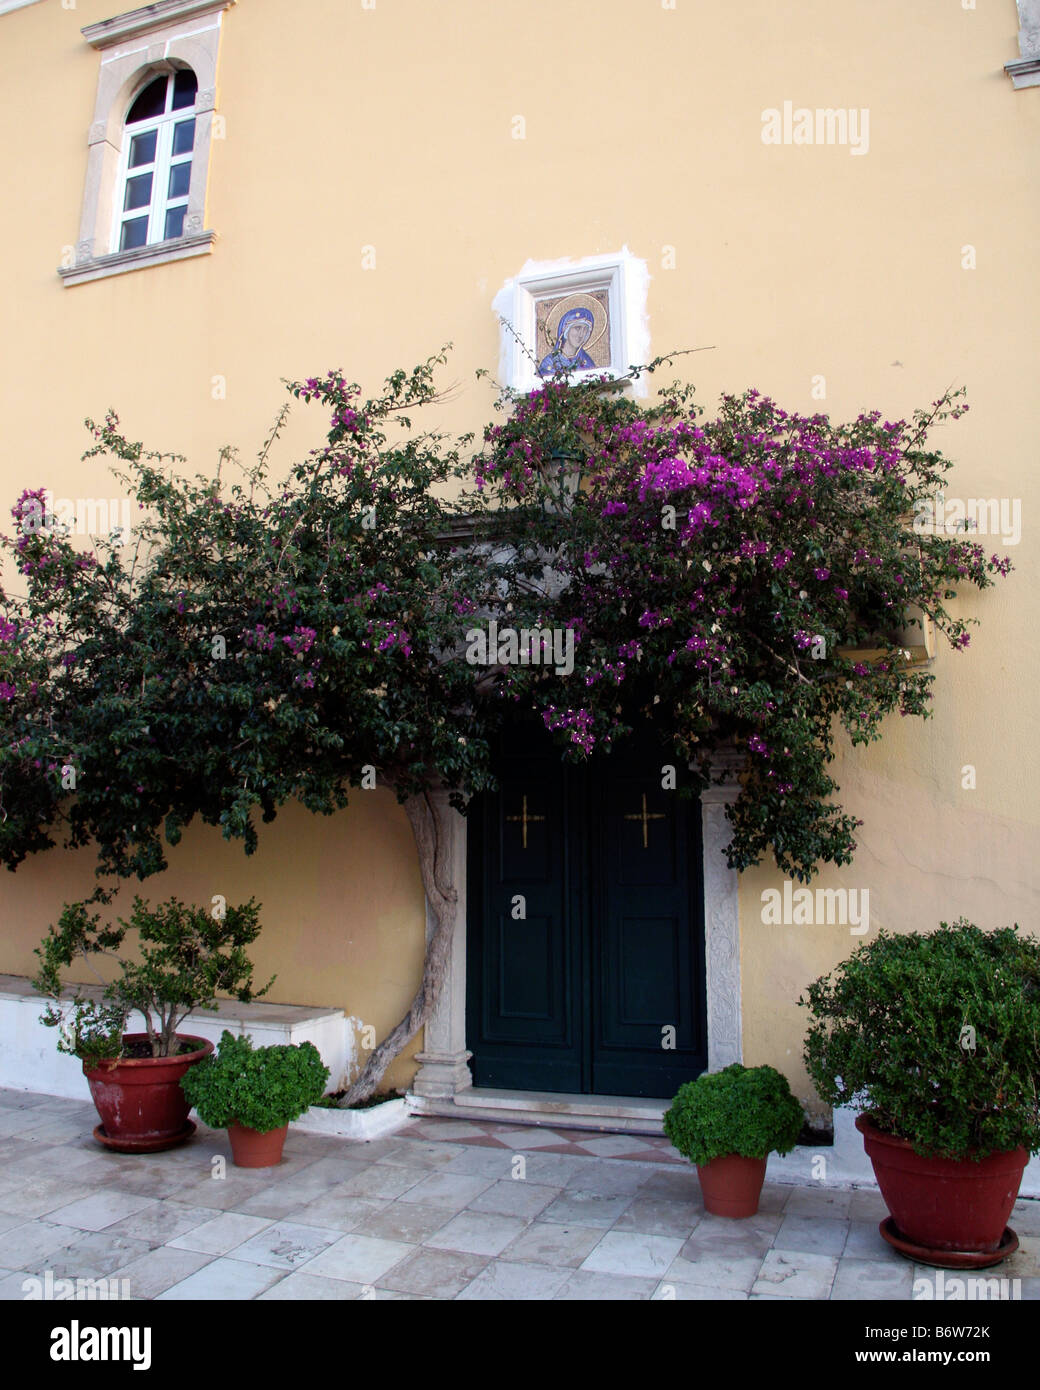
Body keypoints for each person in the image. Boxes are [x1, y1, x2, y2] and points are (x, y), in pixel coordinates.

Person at [537, 306, 597, 375]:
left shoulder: (587, 362)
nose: (581, 335)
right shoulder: (550, 362)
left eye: (585, 330)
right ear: (566, 330)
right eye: (577, 328)